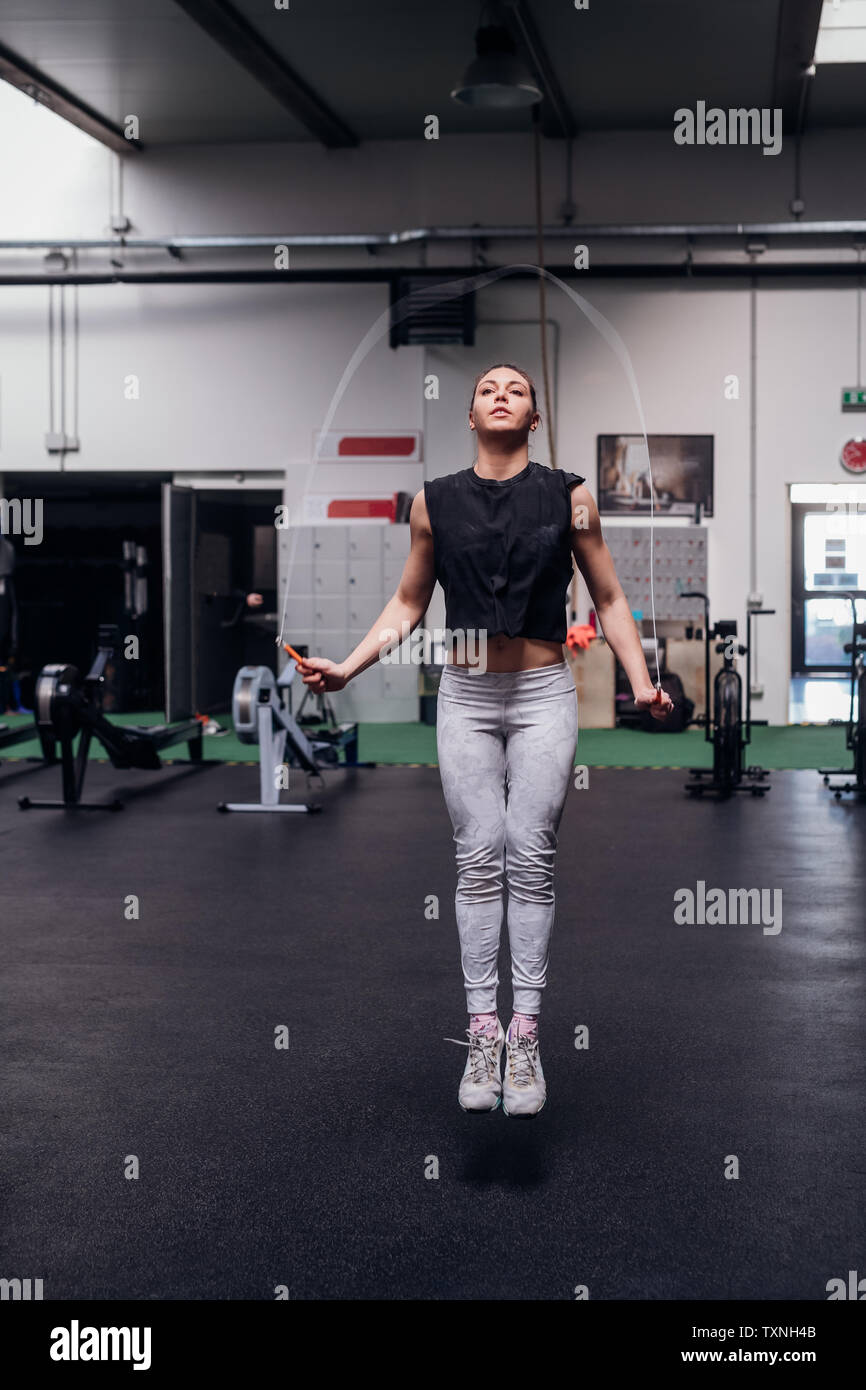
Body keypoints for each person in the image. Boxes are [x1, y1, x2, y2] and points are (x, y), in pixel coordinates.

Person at [293, 363, 673, 1116]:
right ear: (469, 414)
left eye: (518, 390)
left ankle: (526, 1037)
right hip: (464, 692)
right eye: (489, 389)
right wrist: (350, 667)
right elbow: (408, 600)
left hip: (541, 693)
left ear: (534, 419)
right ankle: (482, 1035)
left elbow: (609, 596)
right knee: (477, 858)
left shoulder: (571, 497)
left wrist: (639, 677)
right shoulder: (433, 503)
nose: (502, 394)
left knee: (529, 854)